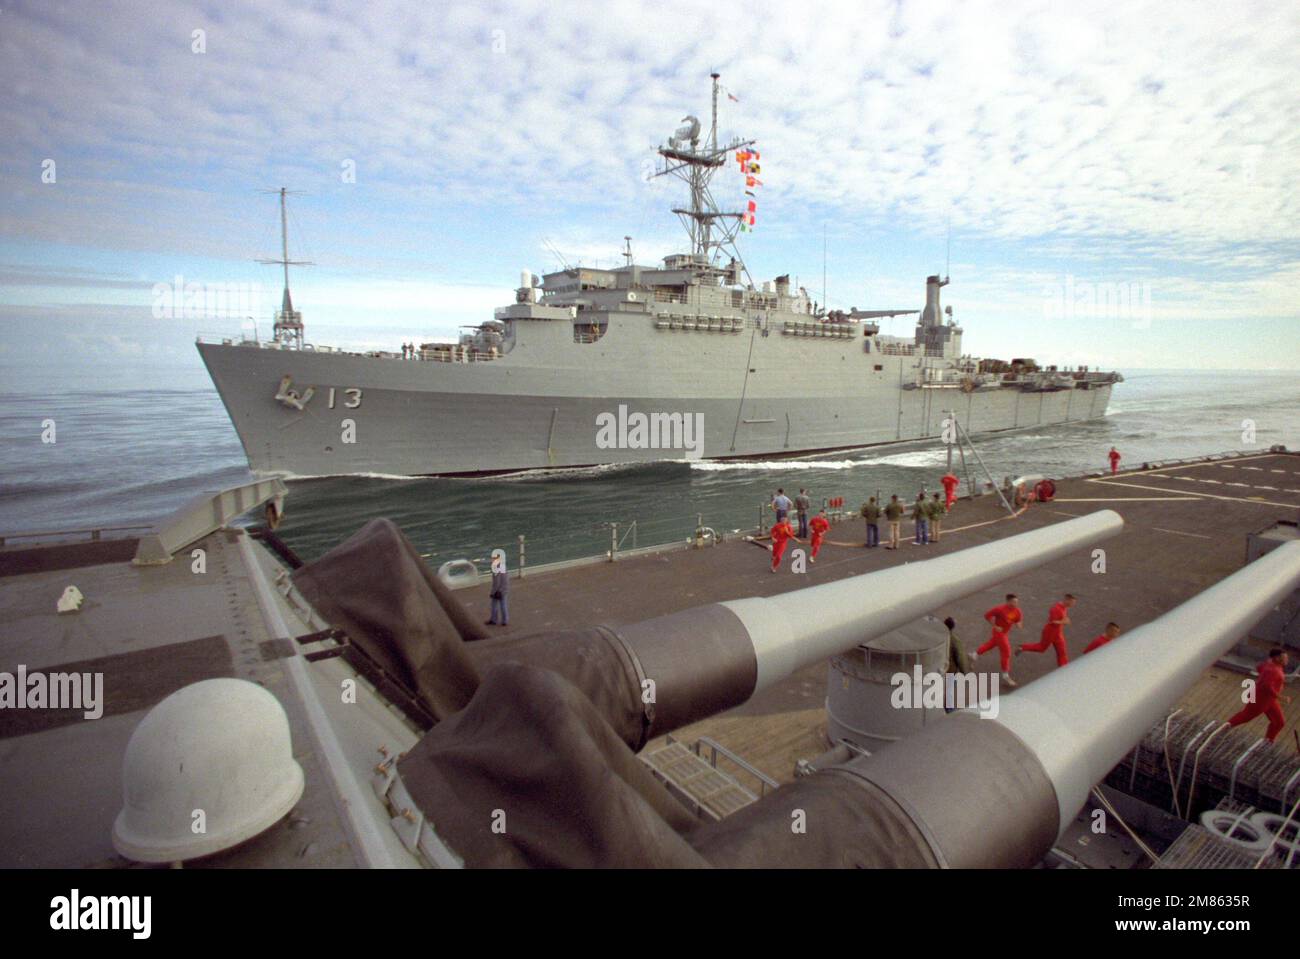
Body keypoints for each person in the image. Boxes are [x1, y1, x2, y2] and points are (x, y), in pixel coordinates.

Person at [1226, 648, 1293, 742]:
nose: (1287, 660)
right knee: (1246, 716)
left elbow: (1259, 668)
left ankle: (1268, 742)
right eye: (1285, 658)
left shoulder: (1270, 665)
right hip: (1260, 699)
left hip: (1270, 700)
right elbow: (1266, 686)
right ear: (1277, 658)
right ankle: (1223, 728)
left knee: (1279, 722)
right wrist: (1280, 697)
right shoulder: (1274, 670)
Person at [975, 594, 1023, 687]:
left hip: (1004, 633)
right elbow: (987, 615)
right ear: (1008, 601)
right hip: (999, 633)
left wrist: (1019, 624)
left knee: (990, 644)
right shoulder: (1000, 609)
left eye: (1017, 602)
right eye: (1014, 602)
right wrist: (995, 626)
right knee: (1007, 652)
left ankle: (974, 655)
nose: (1016, 603)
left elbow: (1018, 621)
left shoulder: (1018, 611)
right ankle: (1005, 675)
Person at [1018, 594, 1076, 667]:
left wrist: (1064, 620)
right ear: (1067, 600)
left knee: (1062, 652)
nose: (1073, 604)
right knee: (1041, 648)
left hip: (1058, 633)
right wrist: (1064, 622)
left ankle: (1064, 670)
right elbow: (1053, 622)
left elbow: (1061, 618)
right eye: (1072, 602)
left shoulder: (1064, 607)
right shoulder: (1056, 609)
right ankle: (1022, 647)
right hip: (1050, 632)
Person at [943, 616, 972, 713]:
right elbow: (960, 658)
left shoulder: (940, 637)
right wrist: (965, 672)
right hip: (950, 670)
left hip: (939, 669)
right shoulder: (955, 641)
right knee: (949, 690)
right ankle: (949, 709)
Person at [486, 553, 509, 626]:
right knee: (503, 605)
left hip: (498, 590)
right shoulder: (503, 566)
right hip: (504, 588)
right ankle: (505, 620)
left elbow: (497, 582)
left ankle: (494, 620)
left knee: (494, 605)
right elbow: (505, 579)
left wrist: (493, 592)